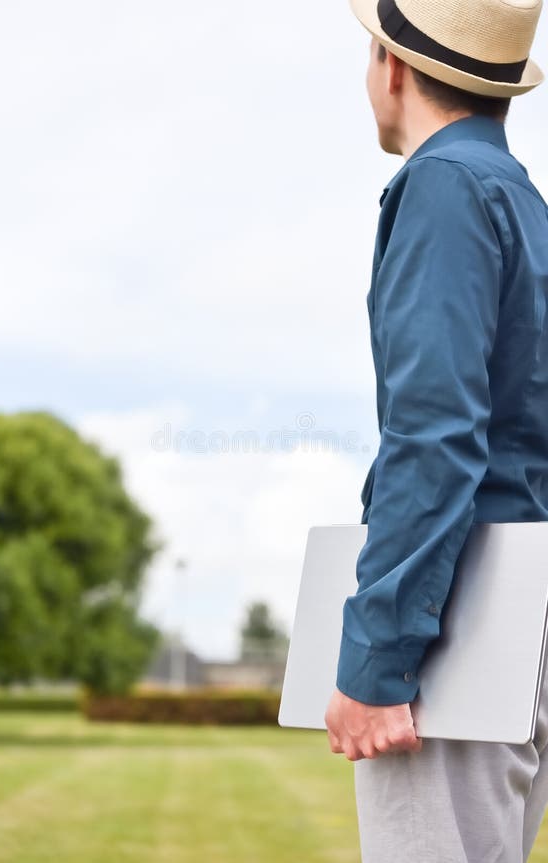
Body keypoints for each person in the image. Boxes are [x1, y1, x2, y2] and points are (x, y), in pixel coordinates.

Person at [323, 0, 548, 860]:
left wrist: (381, 656)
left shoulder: (444, 187)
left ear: (394, 68)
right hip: (522, 606)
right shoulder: (523, 202)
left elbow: (436, 433)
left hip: (461, 624)